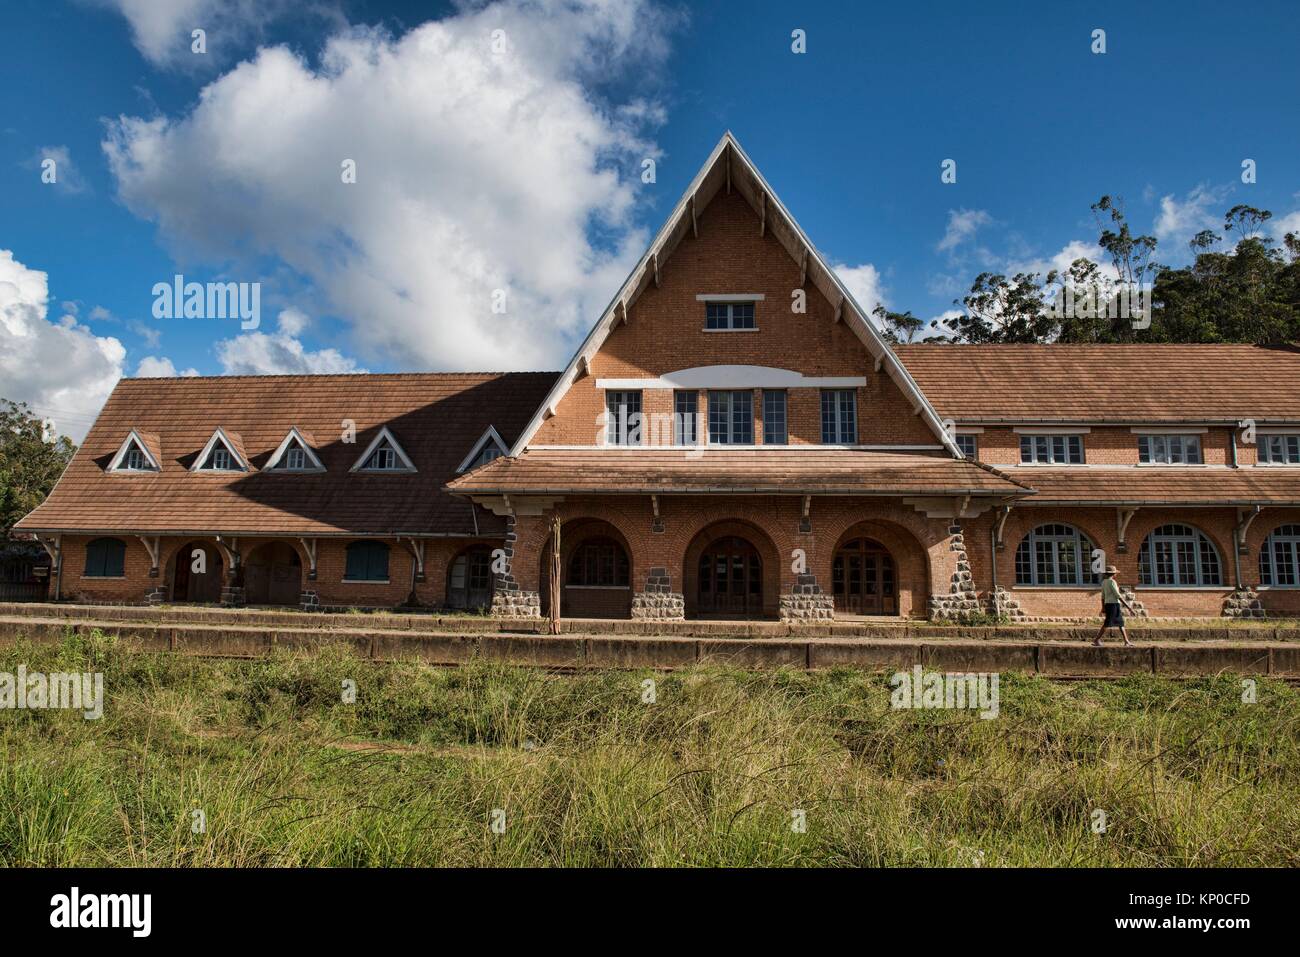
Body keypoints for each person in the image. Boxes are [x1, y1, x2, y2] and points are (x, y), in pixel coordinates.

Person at [1095, 564, 1136, 646]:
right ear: (1114, 574)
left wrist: (1103, 607)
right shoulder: (1112, 582)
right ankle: (1096, 640)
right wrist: (1129, 607)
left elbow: (1103, 596)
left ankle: (1126, 641)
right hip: (1114, 604)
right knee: (1107, 623)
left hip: (1108, 604)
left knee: (1120, 622)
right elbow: (1118, 595)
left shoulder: (1104, 582)